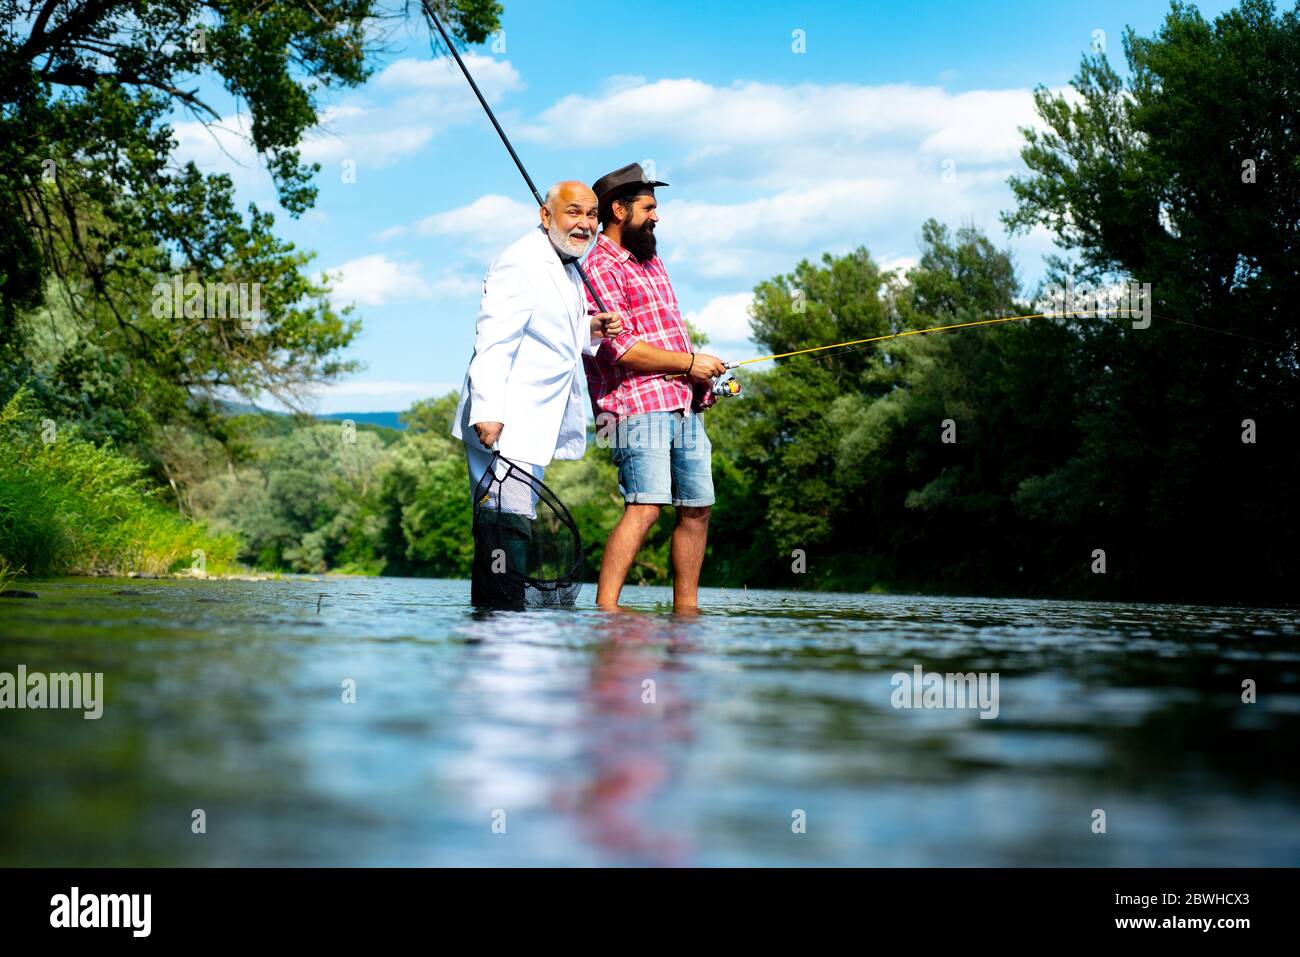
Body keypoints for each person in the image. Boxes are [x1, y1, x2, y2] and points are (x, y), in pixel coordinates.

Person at [450, 181, 620, 605]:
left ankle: (500, 616)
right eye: (573, 212)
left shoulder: (564, 265)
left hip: (532, 423)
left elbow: (547, 332)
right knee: (504, 519)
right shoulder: (520, 262)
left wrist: (589, 330)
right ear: (546, 217)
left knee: (514, 514)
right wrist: (488, 410)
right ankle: (500, 619)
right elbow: (494, 340)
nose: (585, 224)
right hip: (504, 417)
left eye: (592, 215)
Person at [581, 163, 728, 613]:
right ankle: (607, 610)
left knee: (697, 508)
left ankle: (687, 611)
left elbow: (664, 336)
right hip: (634, 407)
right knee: (645, 506)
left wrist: (696, 373)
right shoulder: (597, 264)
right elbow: (620, 349)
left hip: (683, 404)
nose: (657, 217)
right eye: (649, 208)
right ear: (619, 210)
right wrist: (690, 362)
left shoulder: (653, 261)